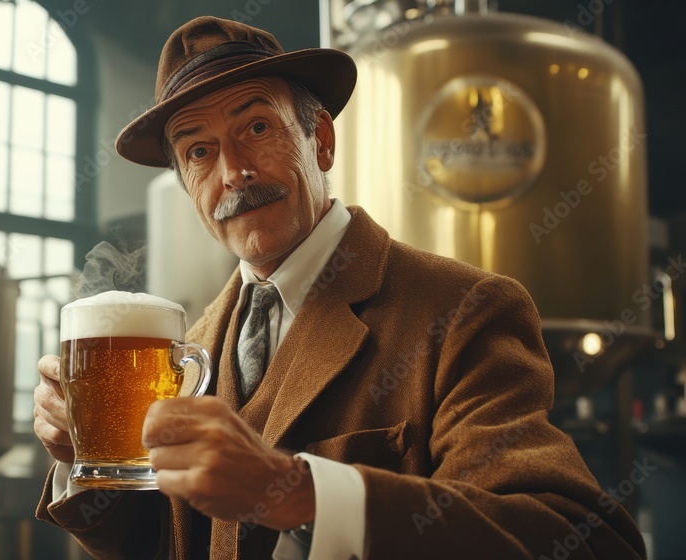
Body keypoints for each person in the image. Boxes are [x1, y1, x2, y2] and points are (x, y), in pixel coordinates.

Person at [33, 15, 647, 560]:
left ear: (320, 141)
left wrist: (302, 492)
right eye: (199, 151)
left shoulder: (463, 310)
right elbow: (161, 544)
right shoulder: (189, 347)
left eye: (256, 129)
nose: (234, 173)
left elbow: (584, 540)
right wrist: (79, 460)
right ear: (188, 187)